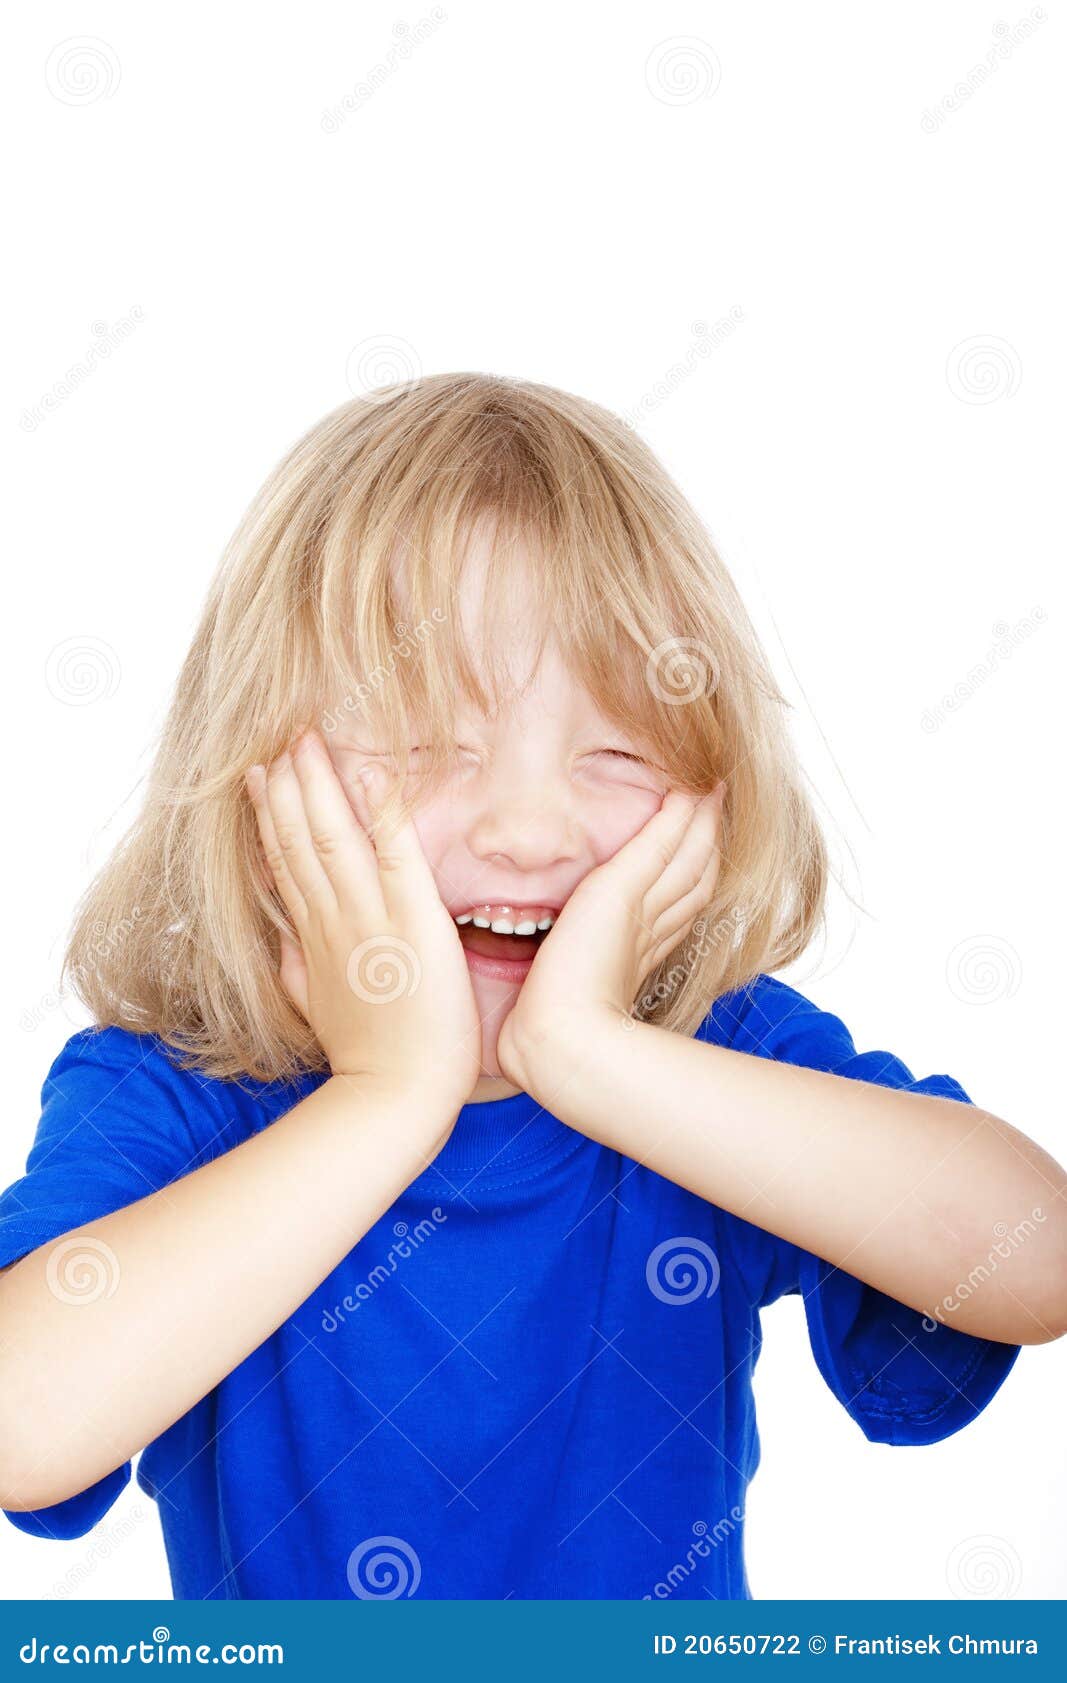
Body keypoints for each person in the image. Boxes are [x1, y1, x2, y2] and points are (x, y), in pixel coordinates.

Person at [1, 373, 1063, 1600]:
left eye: (614, 752)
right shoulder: (175, 1088)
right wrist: (388, 1094)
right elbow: (26, 1424)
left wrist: (591, 1054)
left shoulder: (706, 1056)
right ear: (255, 782)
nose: (525, 828)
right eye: (423, 742)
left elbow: (1029, 1253)